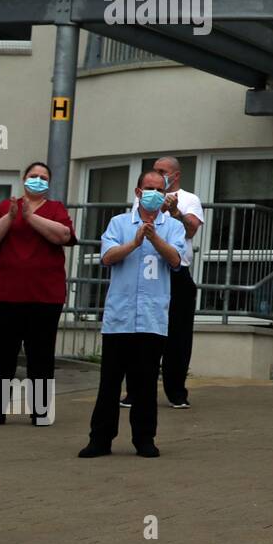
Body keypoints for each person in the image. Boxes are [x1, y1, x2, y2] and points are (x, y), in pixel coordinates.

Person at [79, 171, 189, 459]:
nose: (153, 193)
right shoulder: (119, 223)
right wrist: (135, 243)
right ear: (139, 192)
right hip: (119, 318)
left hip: (152, 320)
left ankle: (144, 439)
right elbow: (107, 257)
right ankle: (100, 440)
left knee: (145, 384)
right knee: (110, 383)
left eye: (159, 189)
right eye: (148, 188)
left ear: (165, 194)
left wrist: (155, 239)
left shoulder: (173, 227)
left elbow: (177, 260)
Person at [0, 162, 76, 427]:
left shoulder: (55, 209)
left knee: (41, 356)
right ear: (24, 179)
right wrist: (11, 217)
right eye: (33, 176)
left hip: (44, 297)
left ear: (49, 183)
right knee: (1, 355)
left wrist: (30, 217)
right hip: (4, 296)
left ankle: (41, 411)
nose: (38, 180)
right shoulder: (5, 208)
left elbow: (63, 235)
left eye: (43, 177)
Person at [120, 156, 203, 411]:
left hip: (176, 272)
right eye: (153, 172)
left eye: (162, 172)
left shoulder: (190, 199)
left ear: (175, 176)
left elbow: (191, 231)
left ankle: (176, 391)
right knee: (142, 331)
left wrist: (175, 211)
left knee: (177, 335)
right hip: (145, 271)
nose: (156, 176)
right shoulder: (143, 197)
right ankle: (135, 390)